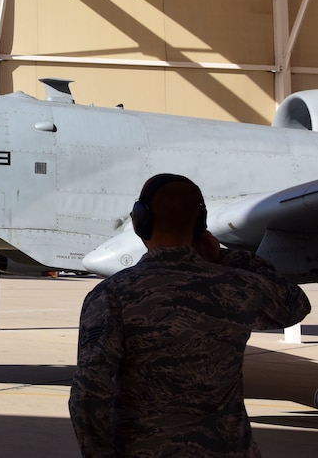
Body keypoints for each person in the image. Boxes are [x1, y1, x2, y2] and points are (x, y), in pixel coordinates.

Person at [69, 173, 311, 457]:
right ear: (200, 226)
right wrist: (226, 257)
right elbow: (295, 305)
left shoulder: (111, 296)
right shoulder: (236, 286)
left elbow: (89, 397)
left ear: (139, 221)